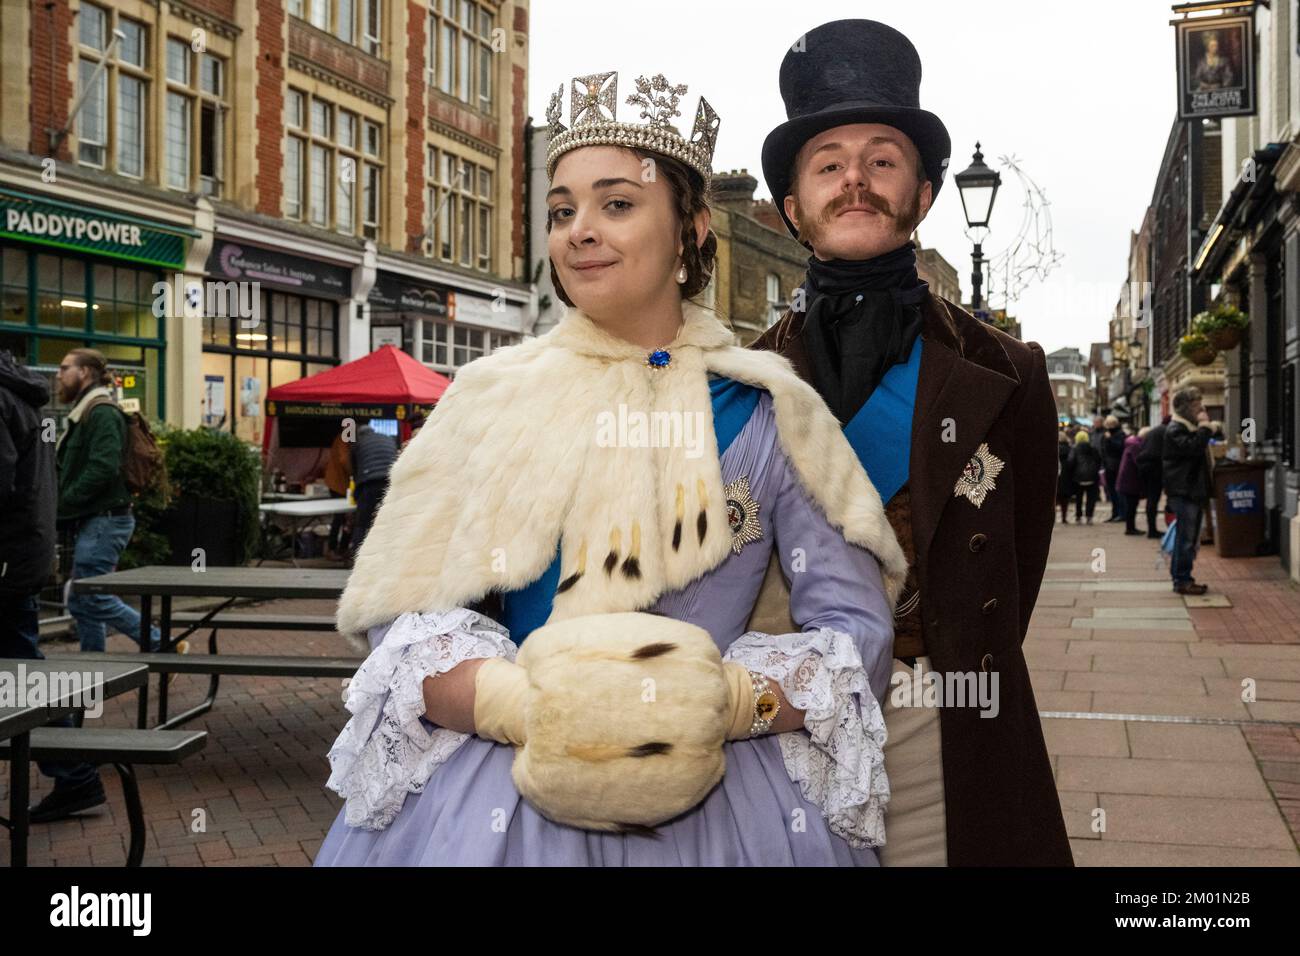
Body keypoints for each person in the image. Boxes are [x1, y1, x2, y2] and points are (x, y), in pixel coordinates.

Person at [314, 68, 909, 866]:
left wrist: (724, 703)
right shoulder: (488, 398)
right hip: (497, 795)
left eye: (617, 204)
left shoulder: (771, 412)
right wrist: (512, 703)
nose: (579, 231)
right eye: (563, 210)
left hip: (726, 804)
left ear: (695, 229)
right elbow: (403, 612)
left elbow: (855, 634)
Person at [750, 19, 1070, 865]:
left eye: (881, 159)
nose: (854, 180)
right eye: (828, 164)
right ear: (793, 207)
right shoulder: (737, 377)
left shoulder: (1009, 372)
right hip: (772, 733)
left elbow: (1015, 571)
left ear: (923, 194)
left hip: (937, 725)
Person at [1, 349, 108, 821]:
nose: (61, 373)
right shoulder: (22, 397)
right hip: (23, 552)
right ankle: (75, 775)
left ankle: (76, 776)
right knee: (23, 666)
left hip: (10, 558)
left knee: (23, 670)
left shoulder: (9, 400)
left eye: (69, 367)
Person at [55, 349, 160, 654]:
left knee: (91, 597)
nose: (58, 375)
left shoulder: (100, 412)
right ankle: (93, 666)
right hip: (98, 520)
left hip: (106, 520)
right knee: (84, 599)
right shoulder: (87, 411)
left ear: (85, 372)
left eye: (64, 368)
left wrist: (64, 503)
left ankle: (159, 644)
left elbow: (103, 467)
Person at [1163, 386, 1220, 595]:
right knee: (1186, 539)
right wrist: (1205, 427)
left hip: (1190, 490)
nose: (1200, 408)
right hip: (1184, 491)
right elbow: (1193, 448)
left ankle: (1182, 577)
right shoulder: (1176, 429)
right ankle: (1182, 579)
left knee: (1187, 538)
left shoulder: (1186, 427)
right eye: (1196, 404)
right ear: (1185, 407)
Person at [348, 422, 397, 557]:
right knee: (388, 519)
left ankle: (356, 554)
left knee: (362, 521)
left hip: (369, 482)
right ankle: (389, 552)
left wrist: (357, 495)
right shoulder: (387, 438)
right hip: (390, 481)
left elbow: (355, 471)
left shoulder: (358, 444)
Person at [1136, 415, 1168, 538]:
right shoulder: (1166, 431)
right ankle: (1152, 530)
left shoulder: (1153, 431)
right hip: (1155, 468)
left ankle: (1152, 528)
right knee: (1153, 498)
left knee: (1151, 498)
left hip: (1146, 466)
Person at [323, 427, 352, 560]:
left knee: (345, 517)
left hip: (341, 483)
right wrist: (354, 472)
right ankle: (333, 548)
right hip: (338, 483)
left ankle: (341, 548)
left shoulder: (345, 437)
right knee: (340, 516)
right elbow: (344, 460)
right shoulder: (344, 438)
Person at [1116, 428, 1147, 536]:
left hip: (1127, 480)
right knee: (1131, 506)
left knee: (1131, 505)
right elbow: (1138, 462)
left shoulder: (1132, 443)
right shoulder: (1136, 446)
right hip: (1130, 480)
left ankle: (1131, 527)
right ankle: (1130, 528)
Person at [1067, 430, 1102, 524]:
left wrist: (1072, 472)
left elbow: (1071, 461)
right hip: (1092, 476)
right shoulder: (1093, 448)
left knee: (1079, 498)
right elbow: (1098, 461)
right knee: (1091, 498)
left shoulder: (1074, 448)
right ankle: (1089, 516)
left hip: (1078, 477)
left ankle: (1078, 516)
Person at [1100, 415, 1126, 522]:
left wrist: (1109, 439)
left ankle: (1120, 513)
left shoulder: (1120, 434)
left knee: (1118, 491)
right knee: (1111, 491)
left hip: (1116, 466)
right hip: (1109, 466)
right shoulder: (1107, 434)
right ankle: (1115, 513)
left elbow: (1119, 447)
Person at [1056, 431, 1075, 523]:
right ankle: (1064, 517)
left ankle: (1054, 518)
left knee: (1055, 499)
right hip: (1066, 476)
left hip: (1057, 476)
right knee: (1065, 500)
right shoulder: (1069, 449)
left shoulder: (1054, 449)